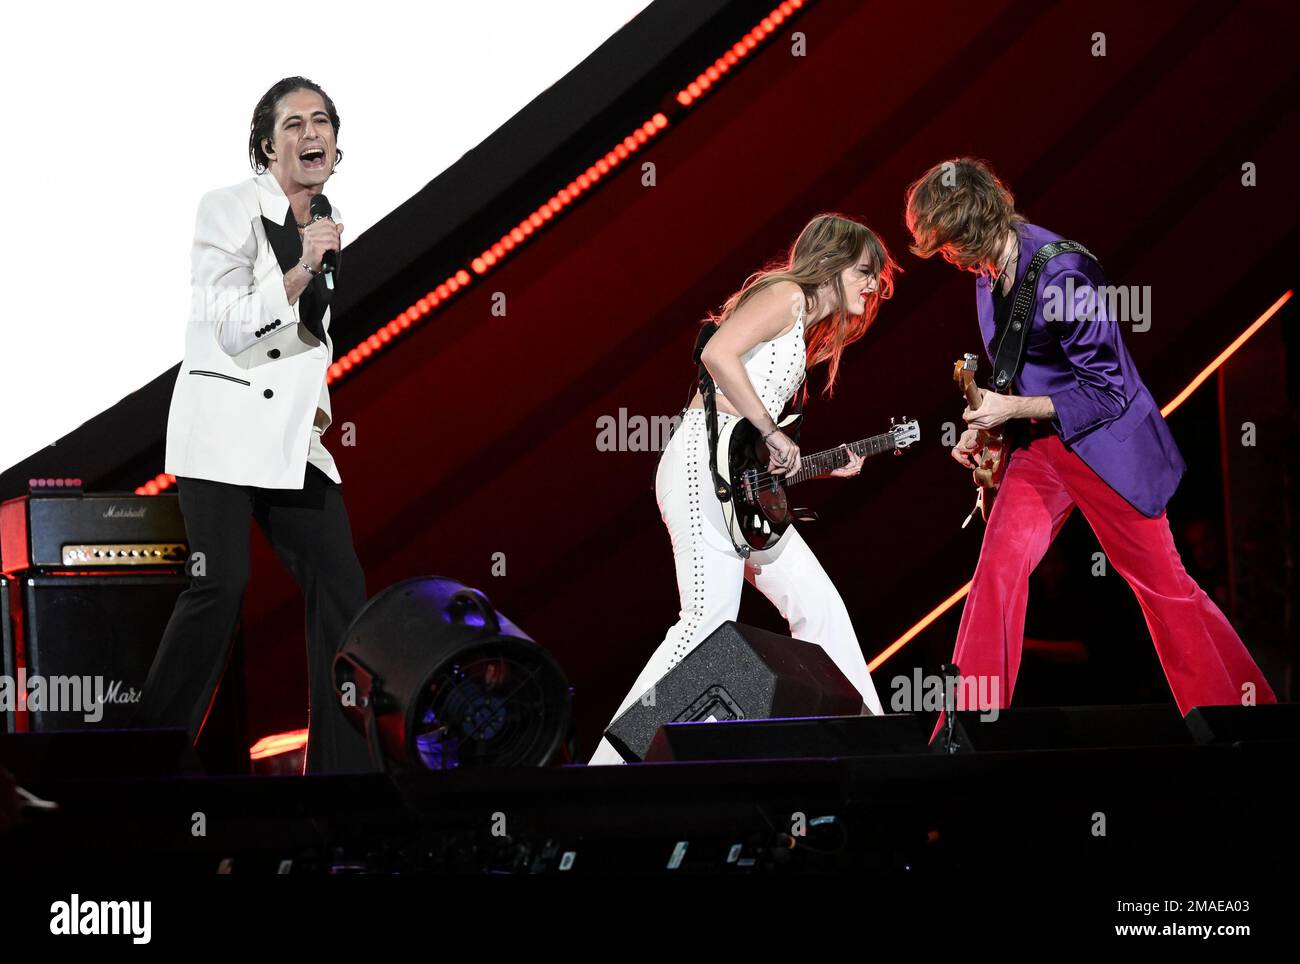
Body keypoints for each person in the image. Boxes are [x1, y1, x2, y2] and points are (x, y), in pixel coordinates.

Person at [903, 157, 1277, 737]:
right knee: (997, 572)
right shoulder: (987, 272)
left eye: (951, 244)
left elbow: (1108, 391)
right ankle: (965, 729)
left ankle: (1241, 721)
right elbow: (1019, 370)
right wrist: (988, 427)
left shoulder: (1063, 275)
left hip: (1106, 447)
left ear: (975, 225)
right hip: (1042, 450)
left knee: (1165, 590)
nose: (948, 258)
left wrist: (1010, 410)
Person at [588, 215, 898, 764]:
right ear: (831, 262)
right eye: (864, 270)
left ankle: (869, 744)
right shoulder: (786, 294)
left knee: (818, 604)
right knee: (707, 621)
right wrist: (772, 431)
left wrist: (814, 464)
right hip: (698, 466)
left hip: (735, 483)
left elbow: (753, 448)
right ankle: (610, 766)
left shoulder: (801, 326)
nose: (873, 284)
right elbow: (717, 355)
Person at [132, 76, 377, 773]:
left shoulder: (326, 217)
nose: (311, 133)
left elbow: (310, 343)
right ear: (267, 147)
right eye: (293, 124)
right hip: (220, 431)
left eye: (321, 121)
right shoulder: (228, 208)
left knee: (341, 588)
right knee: (221, 586)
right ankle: (146, 764)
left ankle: (341, 782)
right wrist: (300, 268)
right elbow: (232, 325)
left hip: (289, 441)